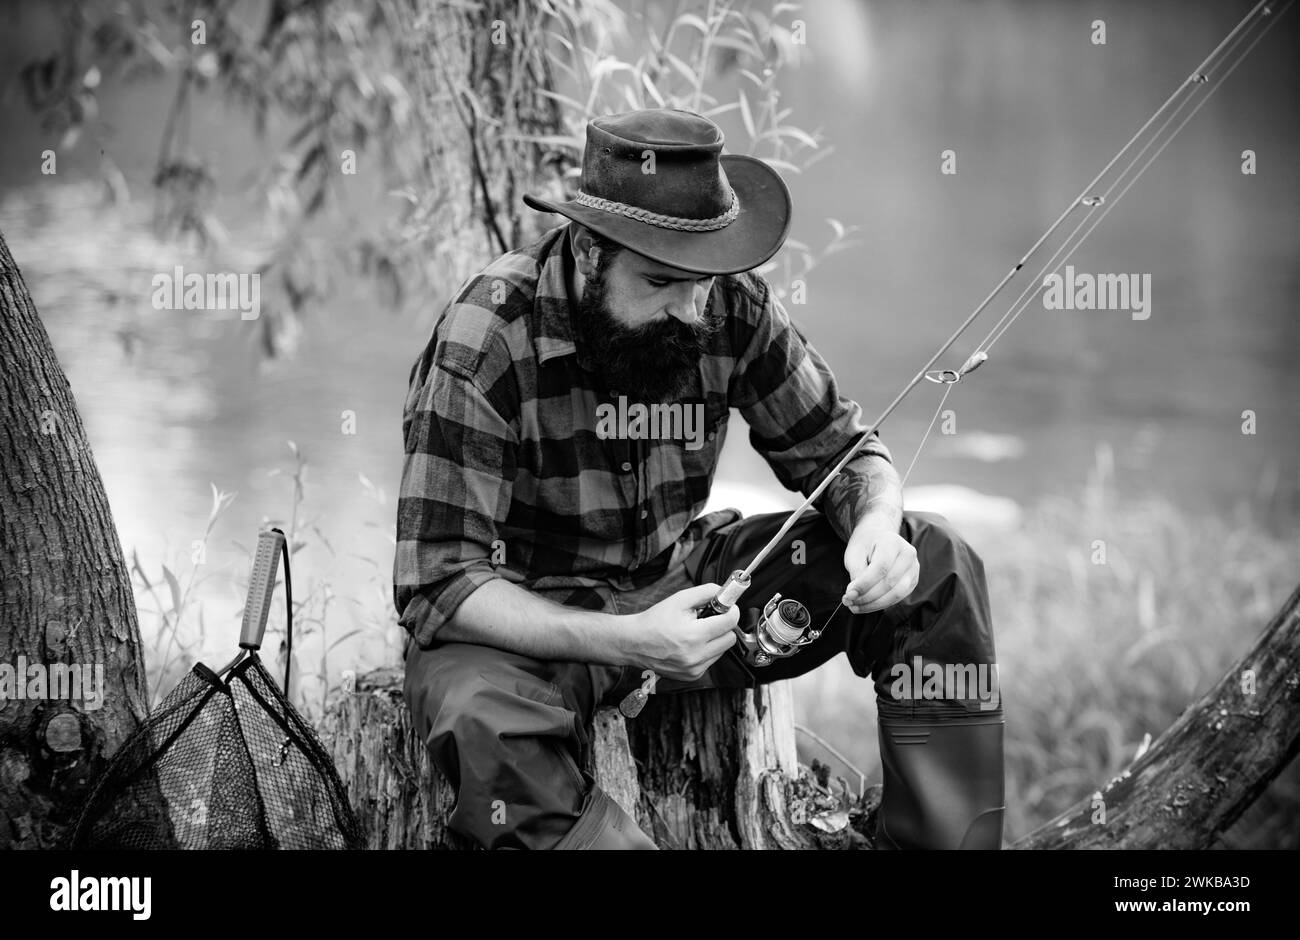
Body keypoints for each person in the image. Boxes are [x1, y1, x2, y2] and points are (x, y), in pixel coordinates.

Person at [394, 108, 1003, 850]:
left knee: (935, 565)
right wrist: (628, 642)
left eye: (703, 283)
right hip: (530, 623)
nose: (690, 309)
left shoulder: (724, 302)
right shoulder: (487, 337)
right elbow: (438, 583)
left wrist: (875, 528)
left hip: (688, 589)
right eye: (660, 281)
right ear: (589, 252)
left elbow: (846, 455)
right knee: (481, 719)